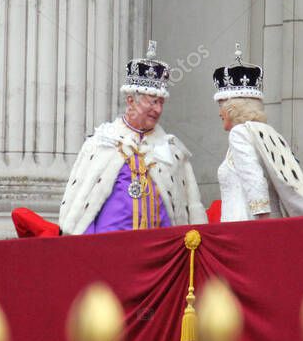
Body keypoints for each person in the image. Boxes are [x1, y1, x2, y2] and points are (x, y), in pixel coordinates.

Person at [59, 41, 207, 234]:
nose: (158, 109)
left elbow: (187, 211)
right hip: (110, 250)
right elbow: (80, 211)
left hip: (160, 251)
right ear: (131, 101)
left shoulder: (172, 150)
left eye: (161, 102)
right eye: (152, 102)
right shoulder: (101, 144)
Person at [212, 45, 303, 221]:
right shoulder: (267, 132)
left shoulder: (239, 133)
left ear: (232, 108)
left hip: (246, 224)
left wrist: (261, 225)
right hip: (268, 221)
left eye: (221, 106)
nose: (219, 113)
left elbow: (254, 179)